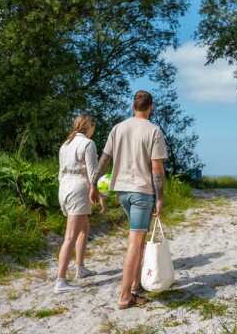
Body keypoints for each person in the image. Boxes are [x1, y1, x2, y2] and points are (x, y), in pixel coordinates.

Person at [94, 90, 167, 309]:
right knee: (135, 243)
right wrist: (160, 197)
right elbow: (156, 167)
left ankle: (136, 287)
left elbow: (104, 159)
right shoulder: (153, 130)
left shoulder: (118, 128)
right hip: (141, 192)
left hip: (122, 192)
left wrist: (93, 183)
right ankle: (125, 296)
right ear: (150, 107)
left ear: (133, 106)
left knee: (139, 238)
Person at [54, 114, 102, 293]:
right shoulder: (88, 144)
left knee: (84, 227)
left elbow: (60, 172)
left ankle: (80, 267)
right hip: (78, 188)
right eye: (93, 127)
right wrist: (97, 192)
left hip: (64, 187)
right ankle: (60, 280)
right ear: (89, 126)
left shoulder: (65, 144)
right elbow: (93, 174)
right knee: (70, 236)